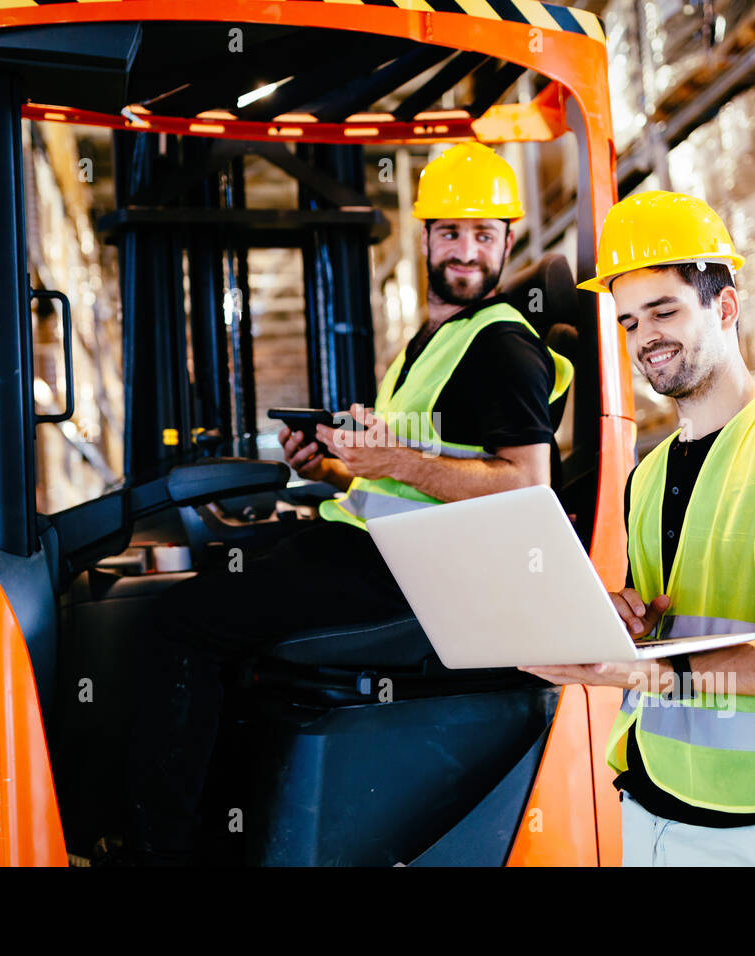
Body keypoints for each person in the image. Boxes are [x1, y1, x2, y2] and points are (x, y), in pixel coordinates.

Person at [122, 143, 573, 862]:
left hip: (407, 573)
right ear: (424, 237)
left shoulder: (501, 348)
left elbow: (527, 487)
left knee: (174, 628)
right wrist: (330, 467)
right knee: (191, 601)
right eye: (451, 232)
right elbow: (397, 482)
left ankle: (159, 853)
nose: (466, 250)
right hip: (367, 543)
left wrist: (387, 457)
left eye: (484, 234)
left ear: (507, 242)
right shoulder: (427, 344)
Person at [523, 190, 755, 867]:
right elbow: (670, 631)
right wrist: (622, 628)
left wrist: (660, 674)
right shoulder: (649, 474)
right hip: (653, 798)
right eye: (630, 322)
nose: (646, 339)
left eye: (665, 311)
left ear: (724, 306)